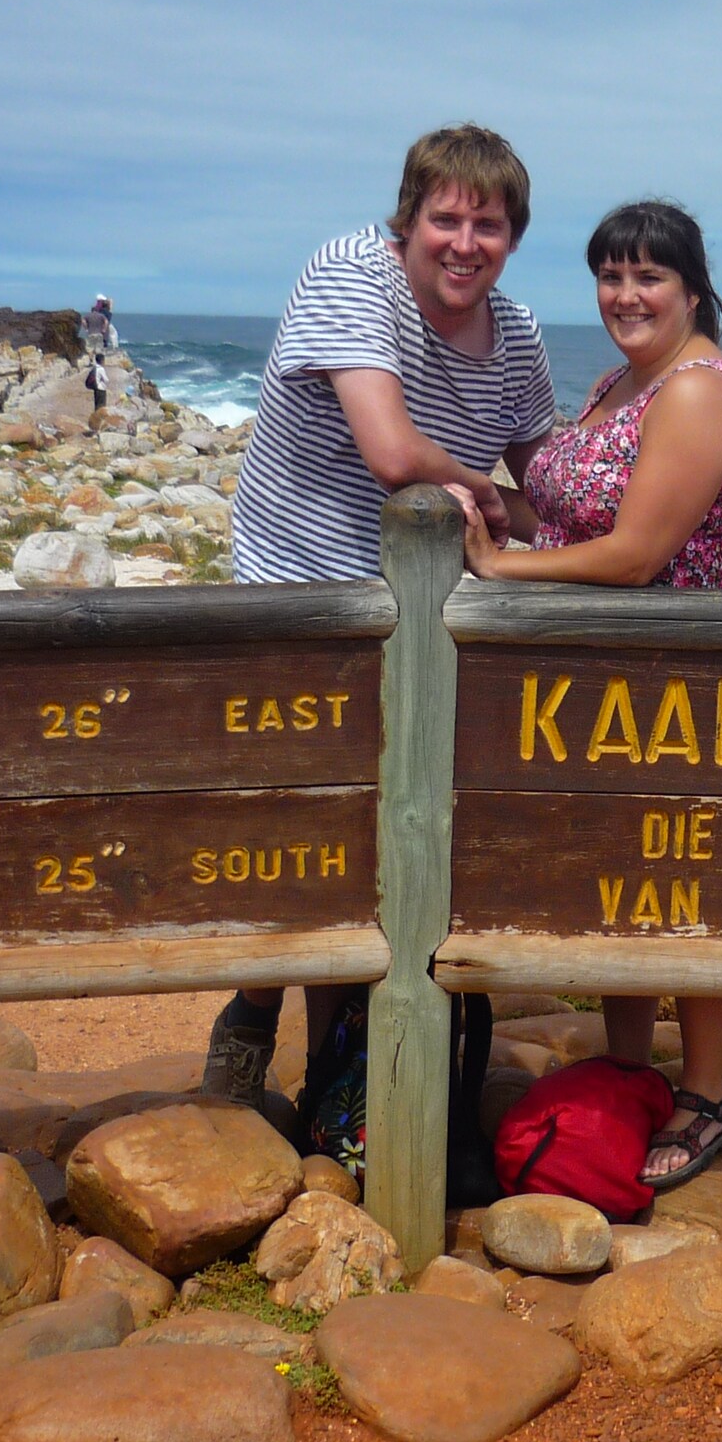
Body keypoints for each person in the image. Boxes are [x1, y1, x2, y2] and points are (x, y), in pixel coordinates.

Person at [203, 124, 557, 1158]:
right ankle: (256, 1008)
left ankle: (332, 1089)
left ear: (512, 237)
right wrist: (501, 506)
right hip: (295, 588)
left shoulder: (519, 335)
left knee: (379, 833)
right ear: (407, 218)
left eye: (486, 224)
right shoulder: (351, 271)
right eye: (444, 217)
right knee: (305, 819)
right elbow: (393, 451)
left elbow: (549, 482)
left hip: (412, 605)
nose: (462, 240)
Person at [448, 198, 722, 1187]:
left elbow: (633, 554)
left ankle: (710, 1094)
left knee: (686, 887)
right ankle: (631, 1073)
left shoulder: (698, 392)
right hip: (602, 683)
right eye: (610, 275)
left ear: (691, 288)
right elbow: (570, 505)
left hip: (670, 680)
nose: (625, 294)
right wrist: (471, 482)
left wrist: (499, 571)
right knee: (624, 882)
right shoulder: (620, 382)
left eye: (647, 277)